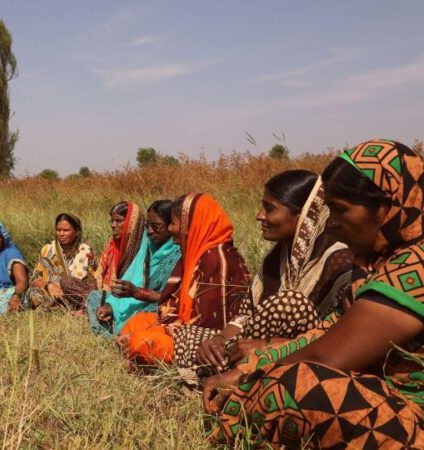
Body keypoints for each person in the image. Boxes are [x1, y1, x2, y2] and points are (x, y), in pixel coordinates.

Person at [204, 140, 424, 447]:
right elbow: (324, 333)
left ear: (388, 209)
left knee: (297, 384)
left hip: (414, 419)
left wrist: (249, 382)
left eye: (342, 209)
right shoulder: (379, 266)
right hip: (387, 399)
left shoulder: (416, 266)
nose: (331, 222)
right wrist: (248, 367)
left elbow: (328, 356)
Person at [195, 171, 353, 374]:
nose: (259, 215)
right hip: (254, 344)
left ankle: (237, 372)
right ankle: (227, 365)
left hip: (310, 357)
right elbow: (246, 315)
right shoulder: (276, 256)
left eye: (269, 209)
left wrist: (273, 346)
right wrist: (219, 340)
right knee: (189, 337)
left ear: (304, 215)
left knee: (288, 303)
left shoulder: (339, 260)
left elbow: (344, 335)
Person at [117, 193, 250, 366]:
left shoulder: (217, 260)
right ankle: (135, 351)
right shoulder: (193, 253)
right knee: (137, 322)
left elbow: (206, 327)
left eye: (173, 222)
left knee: (141, 341)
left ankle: (137, 353)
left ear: (191, 224)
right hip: (180, 325)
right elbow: (173, 305)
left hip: (201, 339)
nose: (171, 228)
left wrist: (157, 330)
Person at [86, 201, 182, 337]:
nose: (149, 231)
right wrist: (112, 306)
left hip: (156, 306)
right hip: (132, 299)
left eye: (156, 226)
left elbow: (171, 298)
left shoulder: (179, 254)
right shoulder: (147, 244)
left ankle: (124, 332)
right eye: (148, 226)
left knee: (149, 319)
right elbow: (132, 278)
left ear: (171, 226)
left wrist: (137, 293)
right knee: (95, 297)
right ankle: (116, 326)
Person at [26, 213, 96, 310]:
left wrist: (68, 287)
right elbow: (35, 280)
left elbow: (92, 282)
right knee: (35, 293)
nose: (61, 234)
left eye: (66, 230)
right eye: (58, 230)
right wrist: (49, 285)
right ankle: (61, 308)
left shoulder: (85, 251)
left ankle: (67, 307)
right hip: (51, 292)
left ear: (77, 232)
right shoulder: (47, 249)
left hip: (74, 294)